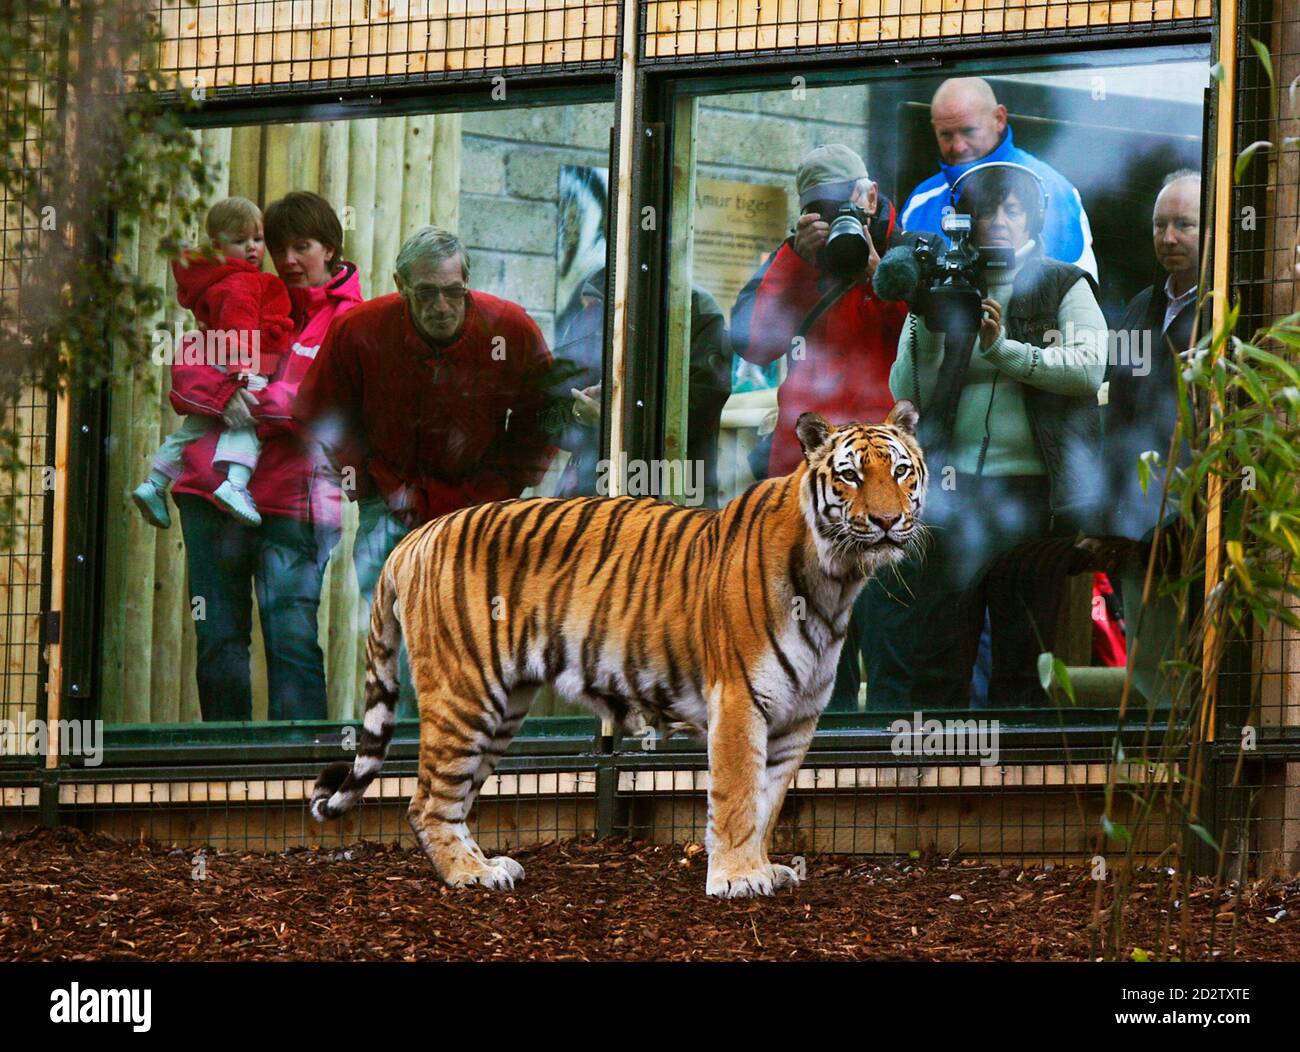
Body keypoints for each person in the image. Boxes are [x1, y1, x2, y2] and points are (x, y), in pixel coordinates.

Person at [294, 225, 558, 717]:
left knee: (479, 646)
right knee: (397, 643)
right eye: (427, 293)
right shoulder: (360, 330)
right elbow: (319, 412)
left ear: (467, 283)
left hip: (481, 512)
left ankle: (464, 759)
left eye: (453, 292)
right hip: (390, 507)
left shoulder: (510, 329)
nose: (442, 306)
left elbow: (547, 415)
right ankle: (409, 757)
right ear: (400, 285)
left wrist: (504, 486)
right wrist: (368, 482)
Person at [881, 161, 1107, 707]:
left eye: (1012, 209)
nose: (998, 220)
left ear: (1033, 219)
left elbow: (1088, 367)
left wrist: (1002, 349)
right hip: (953, 495)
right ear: (965, 219)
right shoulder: (950, 284)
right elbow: (904, 384)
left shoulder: (1061, 282)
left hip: (1030, 495)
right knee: (940, 653)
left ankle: (1016, 784)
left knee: (1021, 655)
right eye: (984, 210)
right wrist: (923, 309)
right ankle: (934, 780)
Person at [169, 190, 364, 721]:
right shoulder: (247, 291)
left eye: (303, 246)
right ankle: (224, 779)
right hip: (210, 496)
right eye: (281, 248)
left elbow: (322, 403)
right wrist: (222, 392)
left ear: (332, 248)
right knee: (218, 642)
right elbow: (188, 365)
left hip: (294, 505)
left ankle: (296, 784)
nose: (289, 260)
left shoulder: (353, 322)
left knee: (292, 642)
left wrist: (254, 397)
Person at [731, 144, 908, 709]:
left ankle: (885, 770)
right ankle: (810, 759)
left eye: (845, 205)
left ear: (871, 194)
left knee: (892, 648)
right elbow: (755, 345)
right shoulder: (795, 259)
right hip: (807, 484)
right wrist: (795, 258)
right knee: (803, 652)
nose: (836, 219)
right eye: (821, 209)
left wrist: (881, 270)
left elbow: (925, 341)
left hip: (887, 484)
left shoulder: (906, 247)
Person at [1103, 170, 1203, 706]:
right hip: (1138, 513)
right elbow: (1117, 410)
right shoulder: (1140, 308)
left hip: (1202, 511)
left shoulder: (1230, 305)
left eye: (1184, 225)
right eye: (1161, 225)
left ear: (1210, 228)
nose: (1169, 238)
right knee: (1151, 651)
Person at [132, 197, 293, 529]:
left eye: (257, 239)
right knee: (248, 420)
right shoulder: (244, 282)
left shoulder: (215, 279)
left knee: (195, 428)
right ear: (218, 247)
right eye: (240, 241)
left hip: (217, 357)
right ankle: (235, 484)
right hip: (243, 362)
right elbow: (240, 328)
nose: (252, 248)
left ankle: (155, 482)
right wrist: (240, 374)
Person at [552, 266, 731, 506]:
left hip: (671, 489)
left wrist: (612, 420)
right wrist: (581, 412)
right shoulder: (595, 305)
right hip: (594, 487)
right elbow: (550, 410)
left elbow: (699, 412)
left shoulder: (695, 308)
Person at [901, 77, 1097, 279]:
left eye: (969, 131)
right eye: (946, 135)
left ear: (999, 119)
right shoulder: (920, 201)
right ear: (934, 129)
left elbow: (1074, 292)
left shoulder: (1050, 191)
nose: (959, 146)